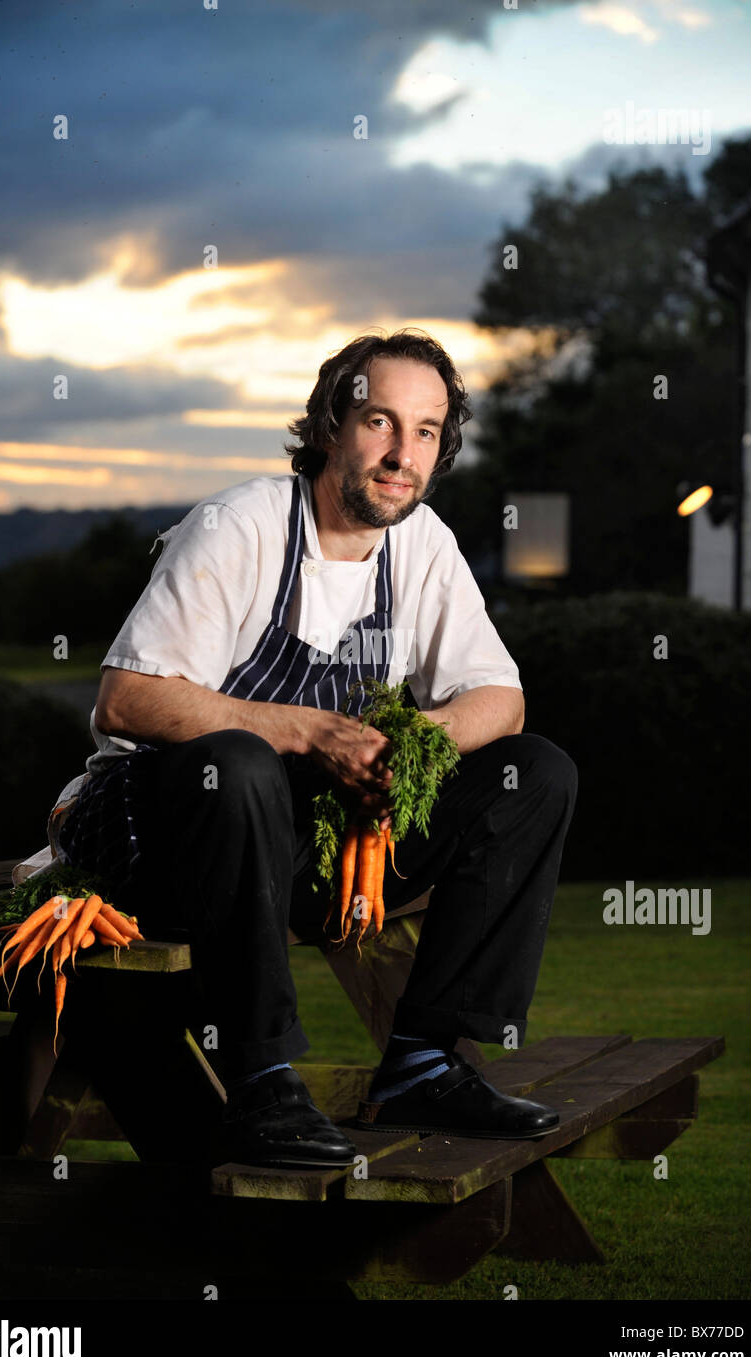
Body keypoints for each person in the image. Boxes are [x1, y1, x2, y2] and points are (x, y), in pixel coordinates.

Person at [56, 327, 577, 1169]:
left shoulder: (422, 545)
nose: (401, 452)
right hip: (158, 839)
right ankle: (258, 1077)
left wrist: (408, 742)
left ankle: (423, 1061)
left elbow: (500, 698)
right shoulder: (241, 526)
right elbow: (127, 698)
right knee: (245, 762)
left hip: (310, 849)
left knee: (535, 773)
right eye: (380, 421)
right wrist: (303, 728)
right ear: (332, 423)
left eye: (427, 431)